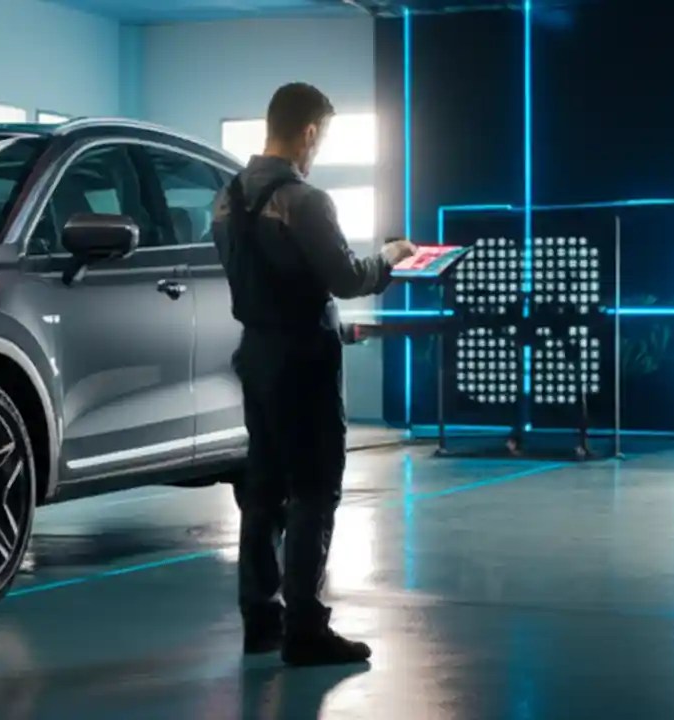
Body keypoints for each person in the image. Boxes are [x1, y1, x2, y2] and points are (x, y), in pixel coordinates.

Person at [211, 82, 417, 666]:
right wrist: (393, 258)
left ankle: (261, 620)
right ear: (308, 132)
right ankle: (306, 627)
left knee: (263, 488)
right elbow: (348, 278)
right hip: (304, 360)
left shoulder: (224, 200)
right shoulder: (305, 201)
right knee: (315, 488)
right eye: (320, 137)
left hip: (255, 355)